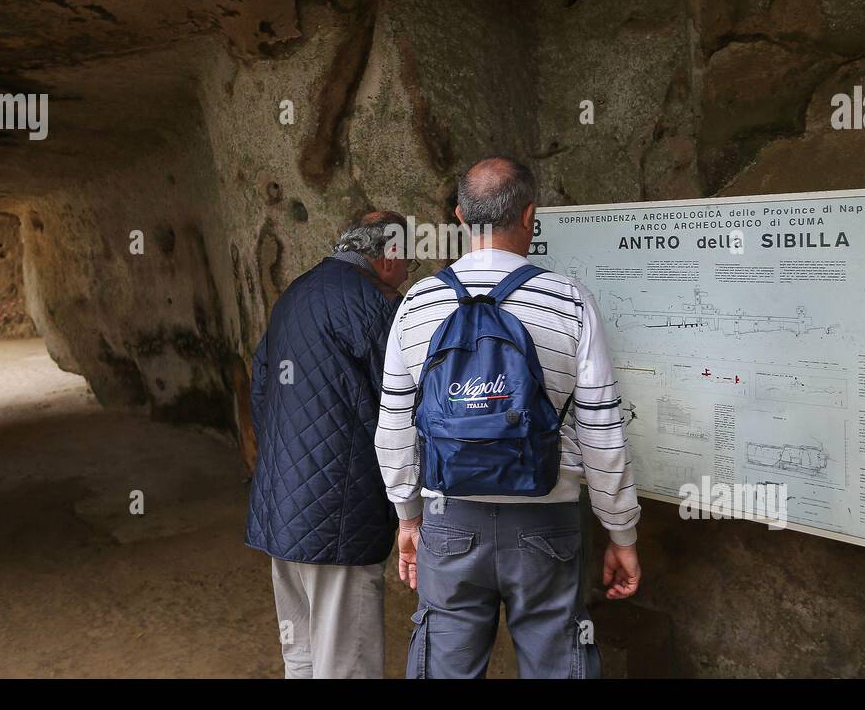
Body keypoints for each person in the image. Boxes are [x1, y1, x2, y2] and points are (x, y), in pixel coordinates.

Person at [374, 157, 641, 678]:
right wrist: (622, 535)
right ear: (529, 216)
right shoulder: (570, 303)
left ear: (459, 216)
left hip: (448, 522)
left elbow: (393, 429)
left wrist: (408, 517)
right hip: (548, 524)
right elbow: (603, 435)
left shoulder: (416, 305)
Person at [246, 210, 411, 678]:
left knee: (301, 653)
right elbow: (398, 407)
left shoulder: (294, 295)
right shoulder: (369, 306)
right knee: (347, 660)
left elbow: (261, 389)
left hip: (281, 503)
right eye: (408, 264)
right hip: (339, 513)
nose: (406, 276)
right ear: (388, 256)